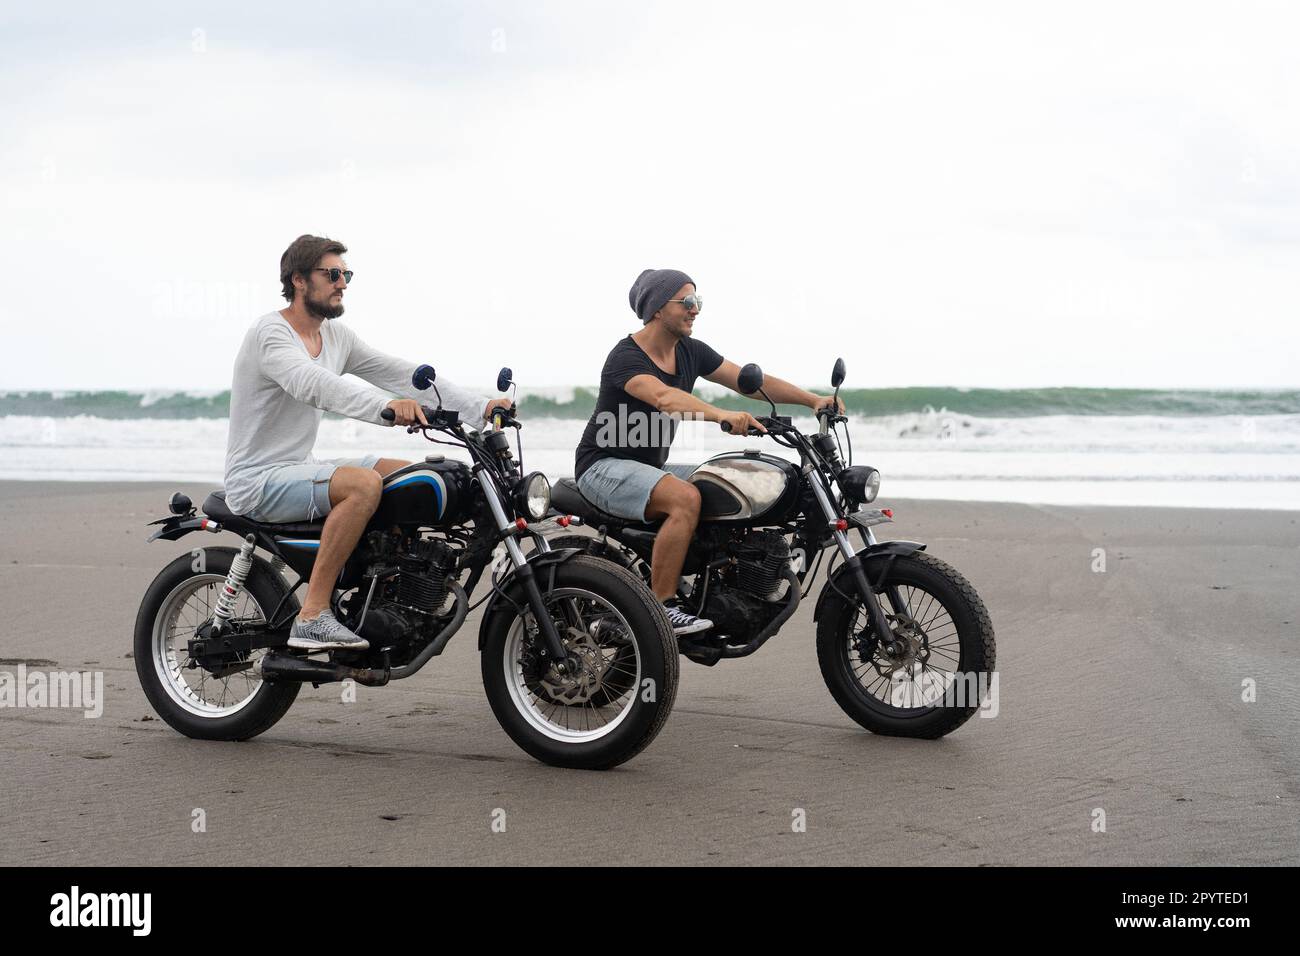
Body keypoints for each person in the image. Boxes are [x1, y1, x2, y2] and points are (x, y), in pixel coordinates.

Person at [223, 234, 511, 652]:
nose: (342, 282)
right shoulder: (271, 333)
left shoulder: (337, 336)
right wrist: (387, 408)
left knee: (413, 476)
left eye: (347, 274)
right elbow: (313, 384)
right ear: (299, 280)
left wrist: (480, 407)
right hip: (257, 478)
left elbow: (398, 373)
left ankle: (390, 589)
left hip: (299, 464)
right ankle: (313, 614)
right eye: (333, 273)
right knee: (363, 485)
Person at [573, 268, 843, 635]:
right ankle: (662, 605)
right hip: (602, 467)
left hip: (650, 467)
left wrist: (813, 400)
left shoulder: (691, 352)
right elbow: (664, 397)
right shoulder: (626, 357)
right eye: (686, 301)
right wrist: (719, 415)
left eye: (697, 301)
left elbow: (751, 384)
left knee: (727, 484)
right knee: (685, 498)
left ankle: (712, 582)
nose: (695, 309)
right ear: (656, 308)